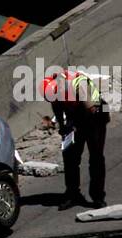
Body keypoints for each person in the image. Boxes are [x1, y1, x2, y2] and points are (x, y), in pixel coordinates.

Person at [42, 68, 108, 210]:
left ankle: (98, 197)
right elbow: (57, 107)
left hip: (96, 112)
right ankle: (72, 194)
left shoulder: (79, 85)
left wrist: (79, 127)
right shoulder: (53, 87)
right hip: (76, 115)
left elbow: (91, 110)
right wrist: (63, 126)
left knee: (96, 156)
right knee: (70, 156)